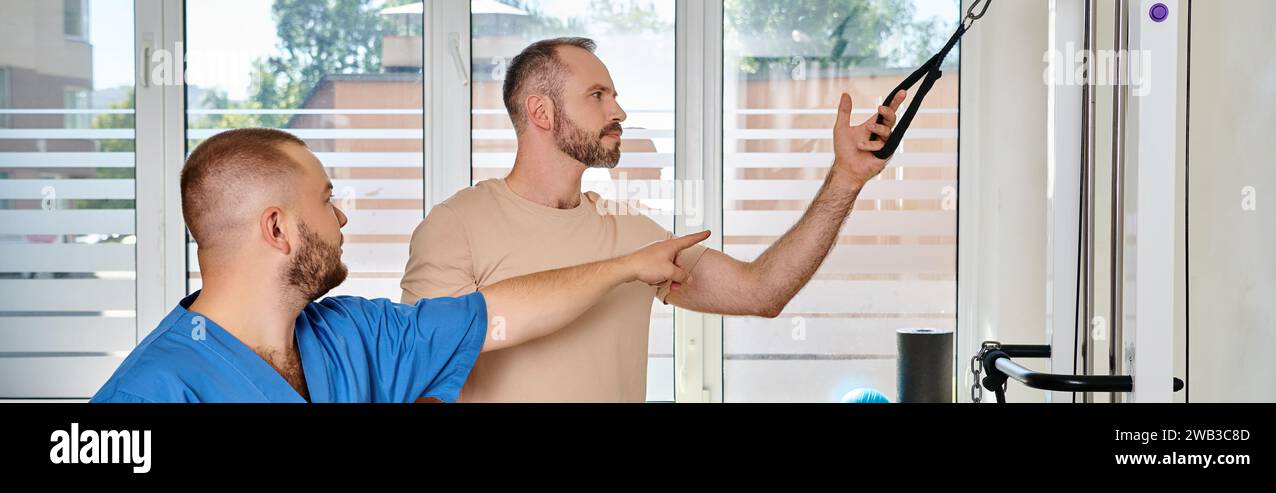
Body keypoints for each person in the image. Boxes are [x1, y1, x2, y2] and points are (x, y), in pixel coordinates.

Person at [401, 37, 905, 402]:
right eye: (597, 95)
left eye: (614, 94)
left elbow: (761, 292)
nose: (618, 109)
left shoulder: (633, 234)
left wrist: (845, 178)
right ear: (541, 111)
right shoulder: (454, 227)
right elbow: (418, 380)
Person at [91, 128, 709, 403]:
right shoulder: (148, 397)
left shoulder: (351, 333)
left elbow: (499, 314)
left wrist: (625, 266)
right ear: (277, 229)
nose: (343, 220)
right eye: (327, 200)